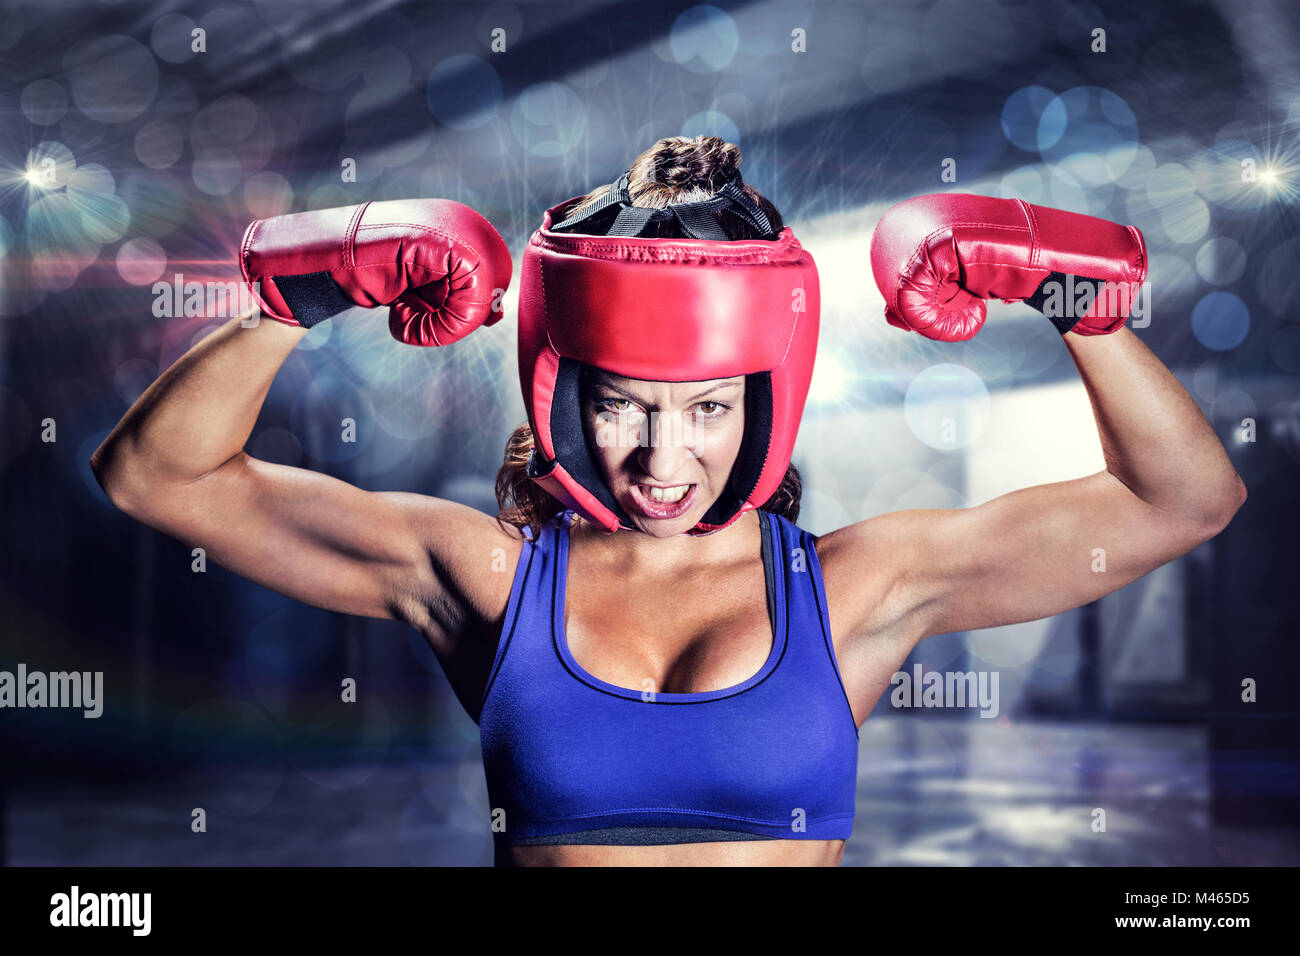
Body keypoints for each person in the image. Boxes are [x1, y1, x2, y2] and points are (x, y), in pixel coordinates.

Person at [90, 135, 1246, 867]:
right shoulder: (489, 574)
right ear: (560, 390)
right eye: (625, 406)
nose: (660, 456)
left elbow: (1180, 500)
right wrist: (296, 297)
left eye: (705, 408)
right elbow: (155, 475)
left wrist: (1076, 309)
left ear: (766, 404)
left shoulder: (853, 588)